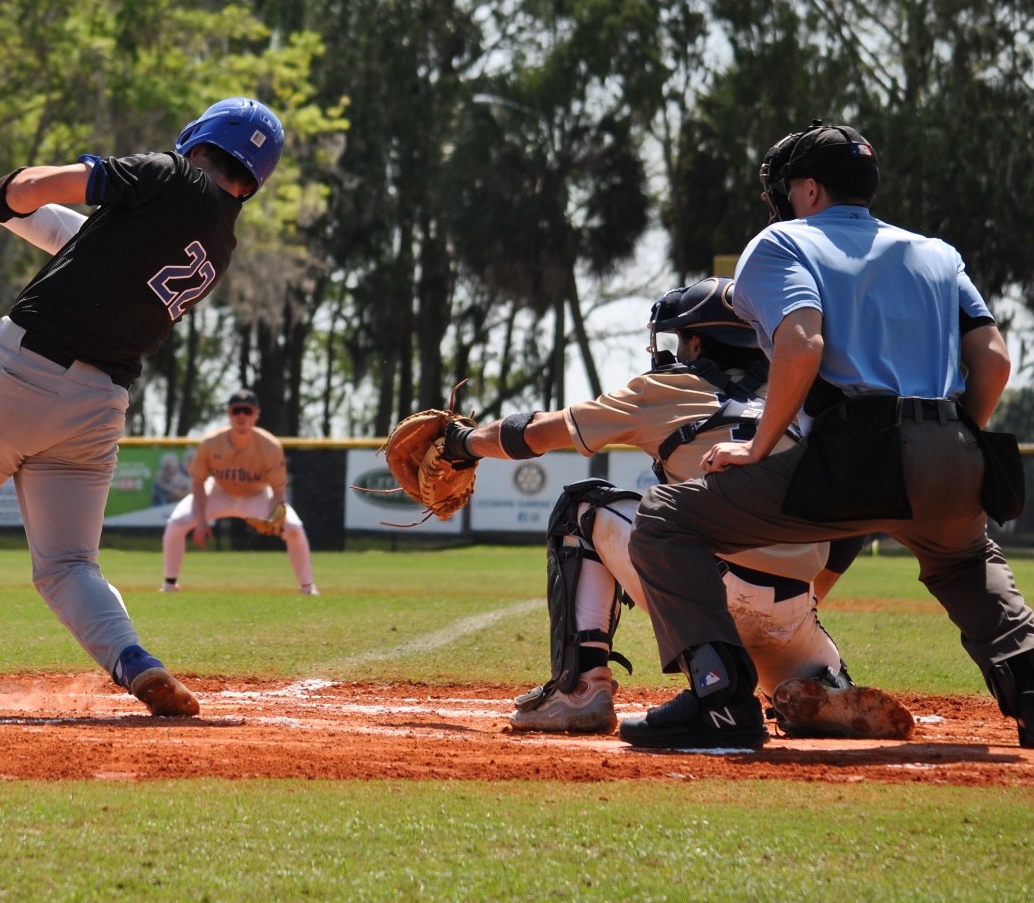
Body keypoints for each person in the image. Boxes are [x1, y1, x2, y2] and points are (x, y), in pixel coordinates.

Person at [0, 97, 285, 717]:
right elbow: (78, 238)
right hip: (97, 407)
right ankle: (136, 661)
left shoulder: (169, 175)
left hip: (14, 377)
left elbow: (38, 185)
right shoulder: (217, 239)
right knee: (68, 563)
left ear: (202, 136)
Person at [617, 122, 1034, 749]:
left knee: (665, 519)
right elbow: (994, 360)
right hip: (957, 447)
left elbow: (803, 341)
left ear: (810, 188)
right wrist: (952, 440)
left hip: (853, 453)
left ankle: (721, 699)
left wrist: (759, 446)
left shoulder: (780, 243)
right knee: (966, 563)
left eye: (789, 186)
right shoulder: (937, 253)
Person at [438, 277, 910, 738]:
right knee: (801, 673)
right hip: (792, 606)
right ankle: (821, 687)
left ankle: (581, 689)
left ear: (699, 344)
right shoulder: (801, 399)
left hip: (706, 590)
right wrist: (809, 594)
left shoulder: (661, 389)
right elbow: (854, 517)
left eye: (683, 338)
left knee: (579, 506)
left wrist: (462, 444)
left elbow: (538, 432)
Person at [160, 388, 318, 595]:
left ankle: (307, 586)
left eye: (247, 410)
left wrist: (274, 517)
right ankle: (170, 584)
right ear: (229, 414)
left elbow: (279, 491)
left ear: (256, 414)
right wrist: (200, 520)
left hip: (259, 496)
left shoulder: (270, 445)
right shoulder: (211, 442)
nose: (242, 415)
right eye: (237, 411)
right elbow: (198, 483)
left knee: (294, 528)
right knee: (176, 523)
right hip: (218, 493)